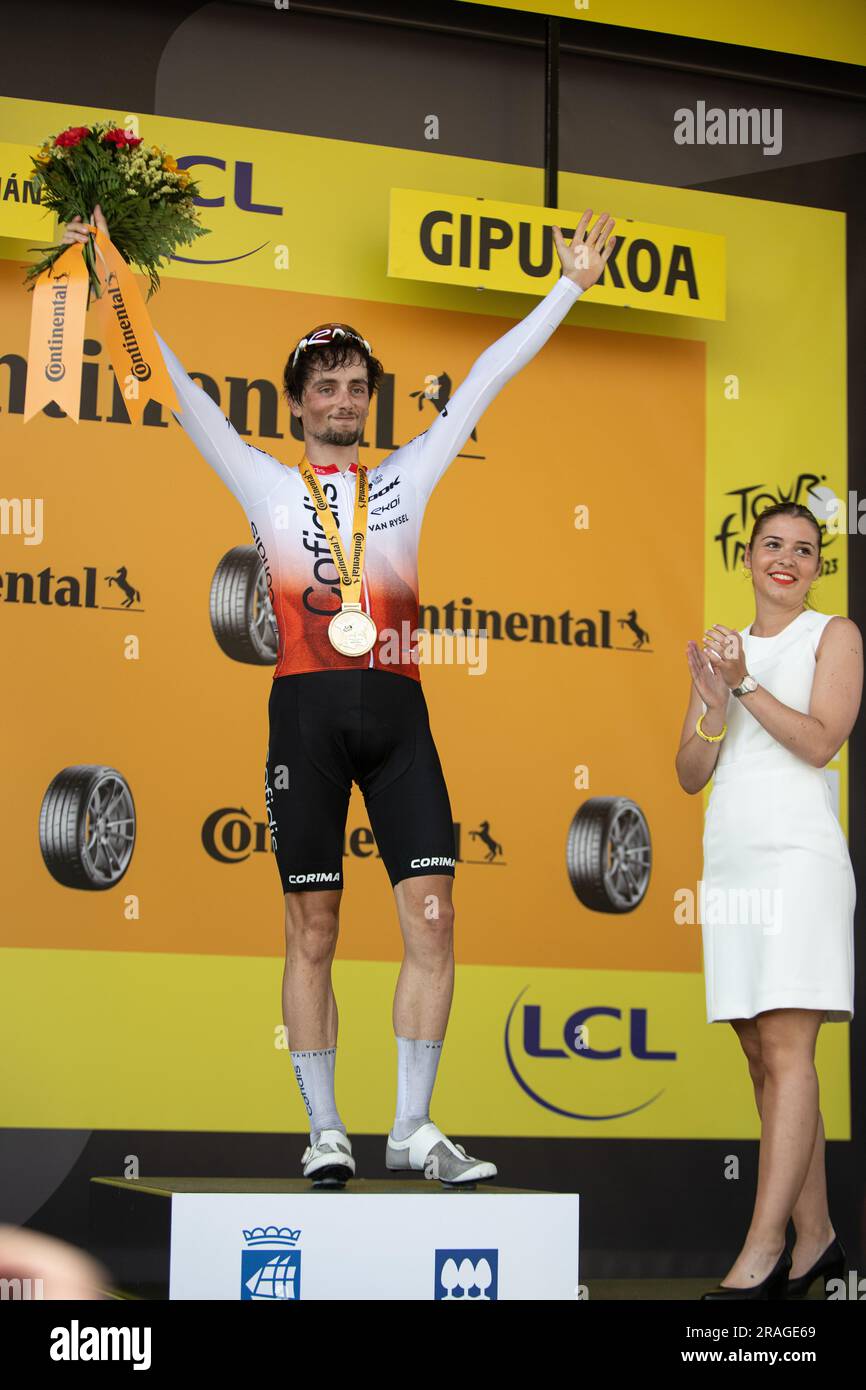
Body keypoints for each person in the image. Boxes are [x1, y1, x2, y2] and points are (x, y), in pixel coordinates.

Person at [62, 204, 616, 1187]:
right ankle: (325, 1129)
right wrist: (102, 256)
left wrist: (566, 285)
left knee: (433, 916)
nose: (343, 397)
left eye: (356, 385)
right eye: (326, 384)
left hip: (399, 713)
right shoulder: (267, 487)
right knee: (310, 926)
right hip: (306, 715)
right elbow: (176, 384)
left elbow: (489, 373)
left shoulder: (407, 476)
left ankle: (412, 1126)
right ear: (298, 402)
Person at [676, 501, 862, 1298]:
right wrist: (713, 709)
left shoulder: (836, 635)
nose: (787, 559)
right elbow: (688, 771)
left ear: (819, 567)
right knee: (762, 1059)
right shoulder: (726, 650)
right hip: (733, 864)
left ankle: (762, 1250)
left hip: (798, 862)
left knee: (791, 1056)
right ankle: (816, 1239)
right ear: (746, 558)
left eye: (805, 550)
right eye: (772, 546)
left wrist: (744, 684)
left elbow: (822, 739)